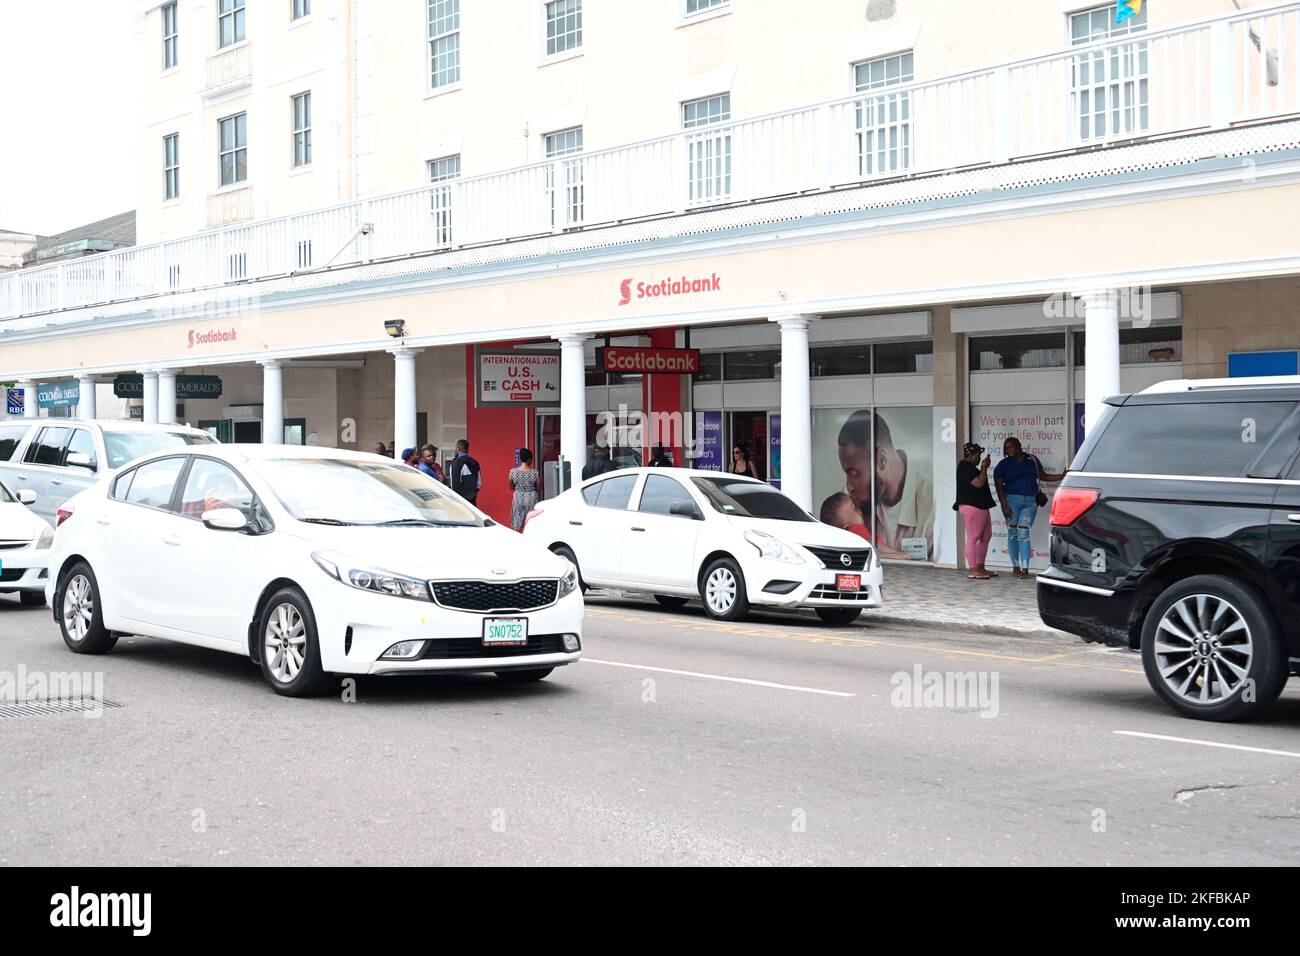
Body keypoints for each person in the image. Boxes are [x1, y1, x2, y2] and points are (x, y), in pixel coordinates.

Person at [837, 409, 934, 561]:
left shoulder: (933, 501)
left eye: (855, 473)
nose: (849, 486)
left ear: (880, 460)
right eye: (846, 474)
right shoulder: (849, 501)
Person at [993, 436, 1066, 579]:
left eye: (1010, 447)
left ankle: (1025, 569)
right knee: (1013, 533)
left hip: (1030, 502)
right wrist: (1004, 506)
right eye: (1005, 448)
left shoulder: (1031, 460)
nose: (1007, 450)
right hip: (1011, 501)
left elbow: (1043, 476)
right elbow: (999, 487)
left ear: (1019, 445)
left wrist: (1062, 476)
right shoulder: (1003, 464)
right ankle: (1015, 567)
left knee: (1023, 532)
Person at [955, 442, 997, 580]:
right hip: (973, 506)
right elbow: (979, 482)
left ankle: (980, 567)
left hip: (981, 506)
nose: (979, 458)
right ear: (971, 455)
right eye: (978, 455)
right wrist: (984, 467)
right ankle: (973, 569)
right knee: (973, 538)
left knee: (986, 536)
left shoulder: (970, 467)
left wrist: (982, 467)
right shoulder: (964, 467)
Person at [509, 448, 540, 532]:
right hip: (531, 499)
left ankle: (517, 541)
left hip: (518, 498)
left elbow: (511, 486)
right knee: (531, 522)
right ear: (529, 459)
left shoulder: (513, 472)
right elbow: (538, 487)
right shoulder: (534, 473)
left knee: (517, 523)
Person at [448, 438, 482, 505]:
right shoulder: (475, 463)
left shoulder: (456, 463)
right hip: (472, 500)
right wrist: (473, 494)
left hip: (460, 501)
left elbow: (454, 484)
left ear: (458, 449)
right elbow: (479, 483)